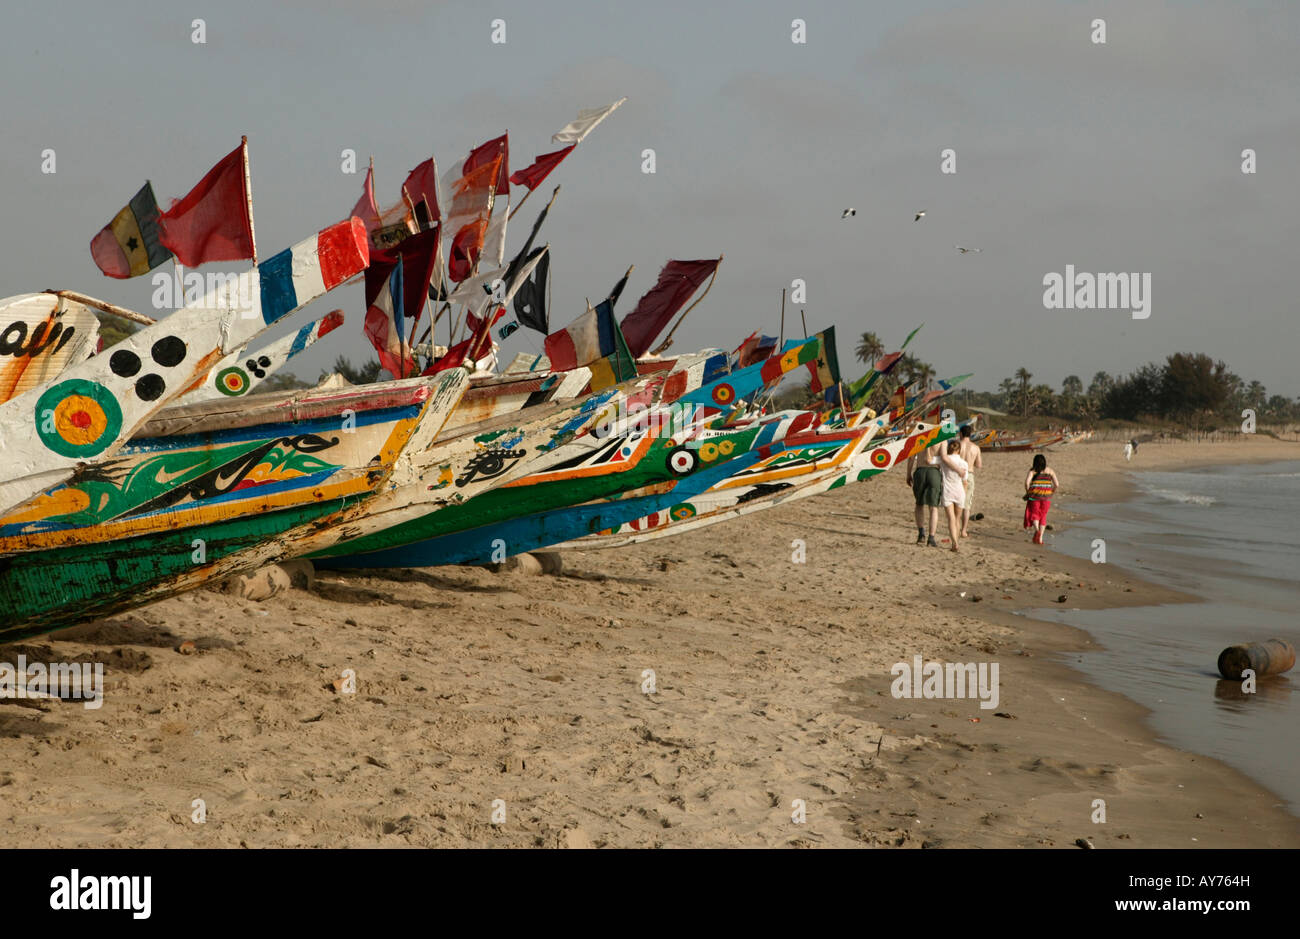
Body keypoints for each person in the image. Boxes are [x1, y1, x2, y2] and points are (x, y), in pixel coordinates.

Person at [905, 426, 943, 546]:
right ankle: (931, 537)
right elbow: (944, 458)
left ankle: (921, 533)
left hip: (920, 471)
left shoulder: (919, 438)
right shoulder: (941, 439)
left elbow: (911, 458)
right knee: (933, 507)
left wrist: (908, 474)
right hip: (934, 471)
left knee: (919, 504)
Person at [937, 439, 969, 553]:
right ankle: (957, 541)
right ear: (959, 449)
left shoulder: (943, 460)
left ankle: (954, 543)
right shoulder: (964, 463)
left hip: (948, 490)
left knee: (950, 518)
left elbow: (930, 461)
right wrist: (964, 495)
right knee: (957, 518)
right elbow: (965, 482)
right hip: (959, 491)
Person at [1024, 453, 1059, 545]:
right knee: (1043, 516)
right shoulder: (1050, 471)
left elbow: (1027, 483)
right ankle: (1040, 538)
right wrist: (1052, 491)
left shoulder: (1032, 471)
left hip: (1034, 496)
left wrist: (1028, 492)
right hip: (1046, 498)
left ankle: (1037, 530)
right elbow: (1057, 484)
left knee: (1035, 514)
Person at [957, 424, 982, 537]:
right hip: (969, 474)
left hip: (957, 474)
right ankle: (963, 530)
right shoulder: (975, 448)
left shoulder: (957, 445)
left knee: (957, 503)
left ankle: (956, 527)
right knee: (967, 505)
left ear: (961, 434)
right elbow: (979, 465)